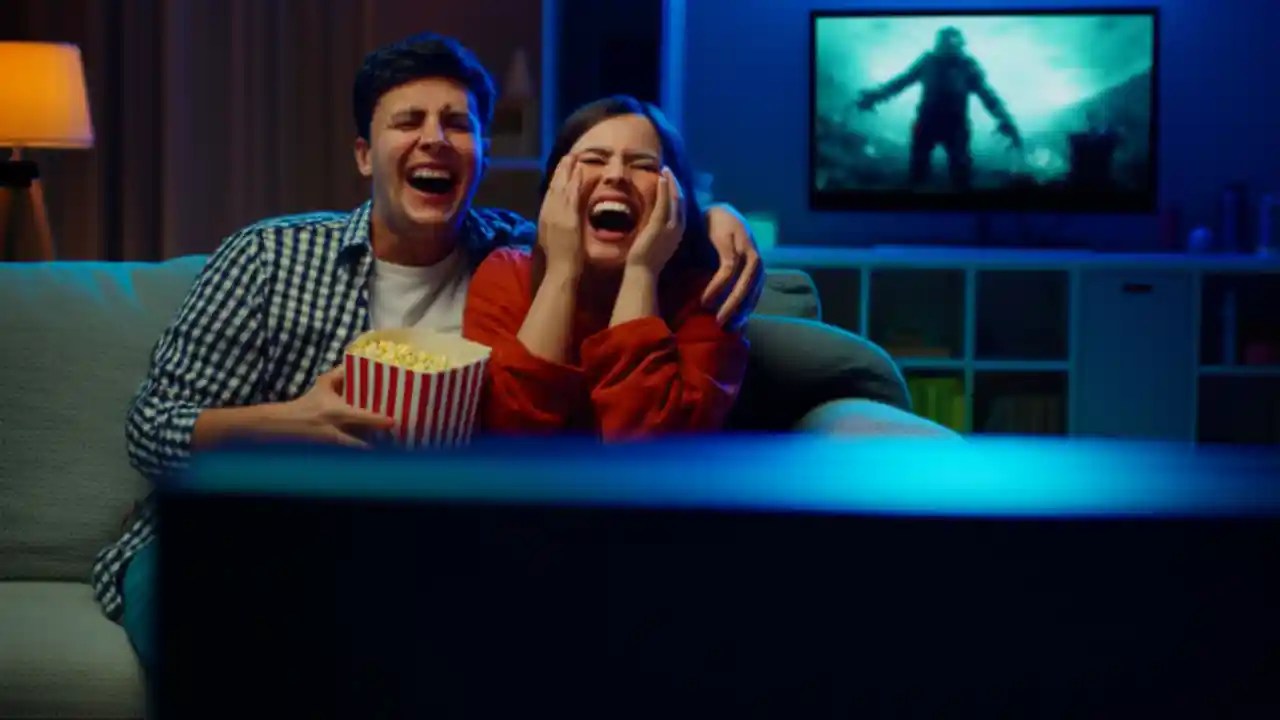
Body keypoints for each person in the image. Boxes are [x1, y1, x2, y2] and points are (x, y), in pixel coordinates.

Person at [92, 32, 764, 675]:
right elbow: (150, 430)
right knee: (233, 646)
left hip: (395, 553)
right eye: (408, 120)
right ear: (364, 154)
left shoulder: (520, 258)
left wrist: (713, 218)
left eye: (459, 123)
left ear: (481, 154)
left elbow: (616, 221)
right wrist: (282, 422)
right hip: (226, 532)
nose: (435, 139)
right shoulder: (267, 256)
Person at [463, 97, 748, 438]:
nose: (615, 176)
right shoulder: (505, 276)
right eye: (593, 160)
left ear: (676, 196)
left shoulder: (711, 298)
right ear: (555, 188)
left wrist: (641, 273)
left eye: (643, 164)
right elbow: (513, 444)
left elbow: (646, 454)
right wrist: (562, 270)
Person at [855, 26, 1022, 190]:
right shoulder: (929, 62)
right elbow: (901, 82)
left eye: (951, 42)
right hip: (928, 122)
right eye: (945, 42)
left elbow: (988, 96)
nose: (948, 46)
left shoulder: (966, 66)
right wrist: (875, 96)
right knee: (920, 169)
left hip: (953, 125)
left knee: (959, 172)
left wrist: (1005, 119)